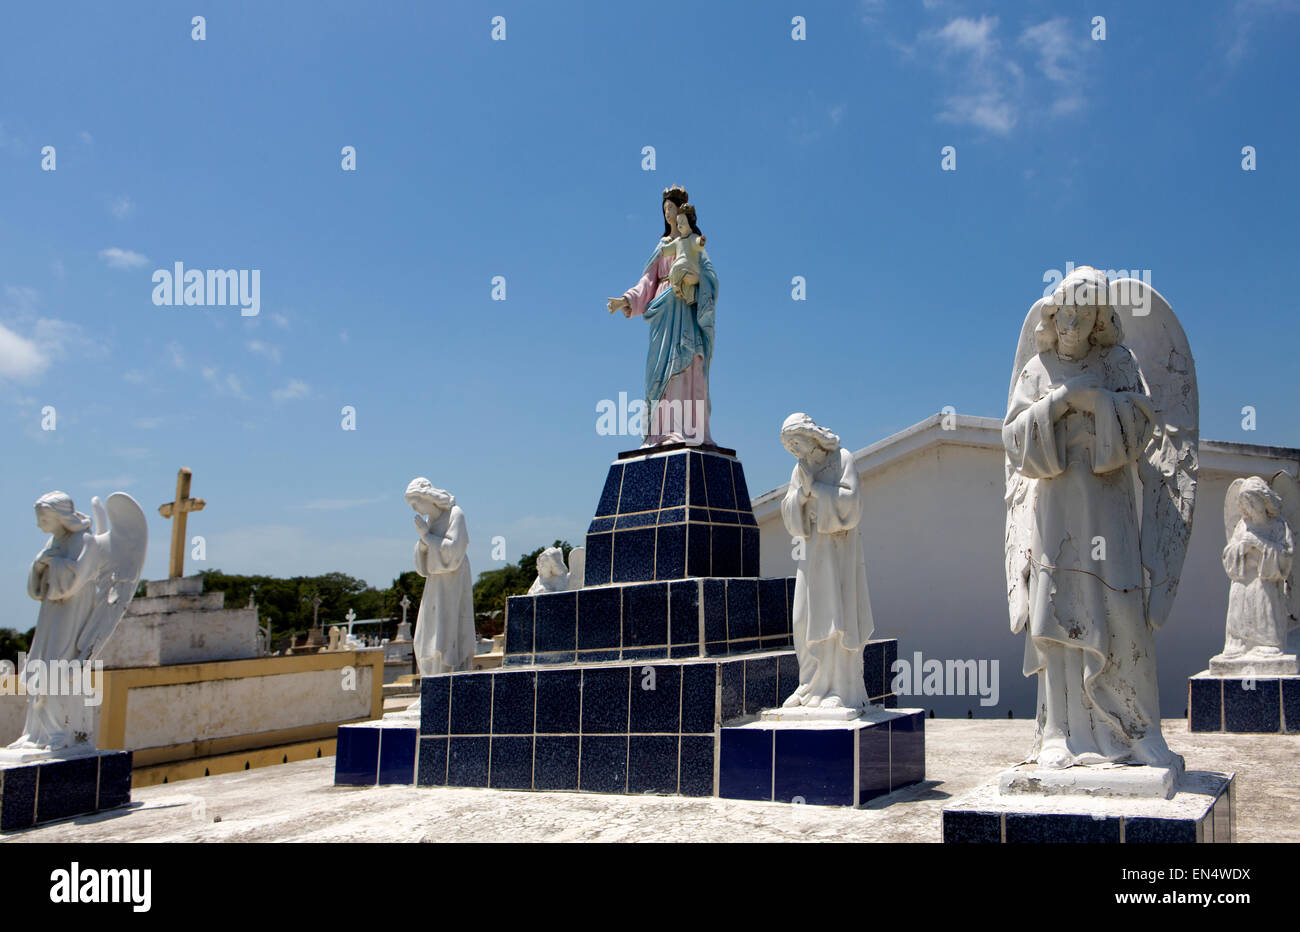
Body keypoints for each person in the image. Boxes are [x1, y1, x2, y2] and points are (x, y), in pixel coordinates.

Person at [606, 185, 718, 446]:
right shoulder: (663, 246)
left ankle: (690, 431)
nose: (668, 214)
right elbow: (647, 280)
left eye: (672, 209)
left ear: (682, 213)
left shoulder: (693, 244)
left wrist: (695, 280)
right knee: (661, 369)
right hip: (664, 311)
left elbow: (710, 275)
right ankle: (663, 432)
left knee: (689, 364)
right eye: (664, 209)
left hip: (686, 306)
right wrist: (627, 300)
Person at [778, 413, 874, 710]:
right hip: (810, 553)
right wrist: (803, 495)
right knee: (802, 617)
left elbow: (852, 504)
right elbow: (790, 510)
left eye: (796, 442)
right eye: (788, 445)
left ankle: (837, 689)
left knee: (834, 616)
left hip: (838, 553)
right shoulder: (800, 470)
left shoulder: (842, 459)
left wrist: (816, 490)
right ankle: (808, 684)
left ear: (810, 437)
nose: (793, 449)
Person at [405, 478, 476, 675]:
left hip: (452, 580)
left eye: (415, 503)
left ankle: (445, 679)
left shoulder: (455, 514)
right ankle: (430, 682)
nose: (414, 509)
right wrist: (423, 540)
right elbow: (422, 563)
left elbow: (453, 553)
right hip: (436, 582)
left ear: (426, 496)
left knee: (446, 631)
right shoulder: (431, 522)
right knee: (425, 633)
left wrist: (427, 537)